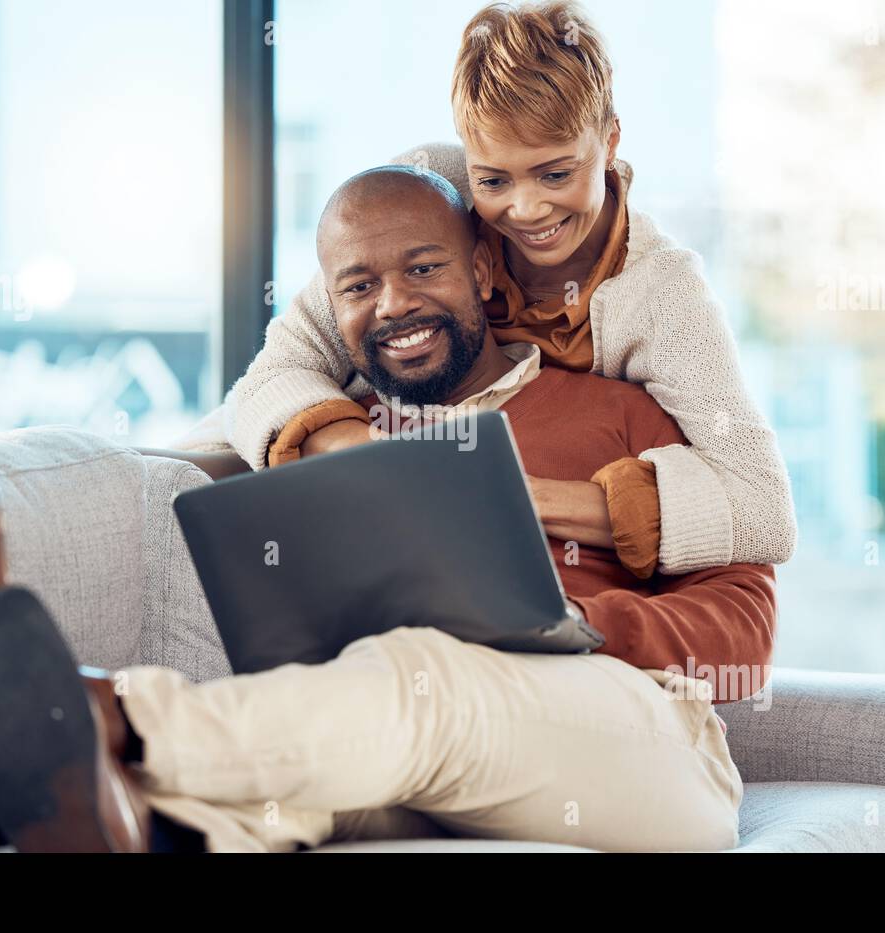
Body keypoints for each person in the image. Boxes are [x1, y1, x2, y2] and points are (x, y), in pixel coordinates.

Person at [0, 167, 775, 854]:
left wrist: (578, 619)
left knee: (425, 677)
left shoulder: (612, 412)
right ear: (333, 316)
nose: (394, 303)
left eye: (422, 267)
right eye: (359, 285)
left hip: (652, 752)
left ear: (482, 271)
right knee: (290, 793)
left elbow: (747, 616)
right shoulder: (342, 439)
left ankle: (100, 711)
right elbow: (242, 410)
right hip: (431, 750)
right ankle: (108, 816)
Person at [174, 0, 797, 583]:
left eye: (556, 173)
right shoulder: (433, 184)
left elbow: (766, 509)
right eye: (493, 178)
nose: (526, 210)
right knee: (148, 486)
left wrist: (494, 489)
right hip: (256, 452)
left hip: (458, 512)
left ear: (609, 140)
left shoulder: (665, 297)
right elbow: (273, 373)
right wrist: (386, 461)